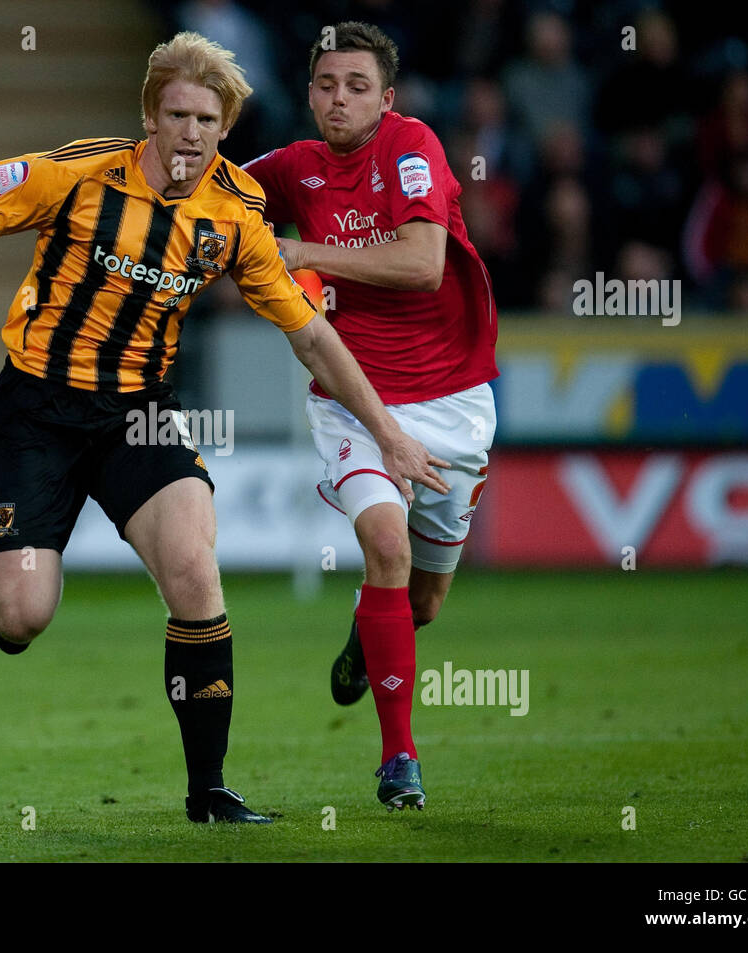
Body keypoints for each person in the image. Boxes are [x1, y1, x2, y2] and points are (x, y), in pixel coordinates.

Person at [0, 32, 446, 823]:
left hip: (139, 414)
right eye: (177, 114)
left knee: (196, 574)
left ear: (225, 126)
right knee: (22, 616)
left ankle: (209, 792)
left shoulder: (235, 213)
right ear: (151, 116)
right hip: (38, 409)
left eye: (207, 117)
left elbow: (309, 334)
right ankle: (14, 597)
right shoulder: (80, 172)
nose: (191, 132)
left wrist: (390, 435)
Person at [244, 21, 499, 811]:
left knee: (421, 603)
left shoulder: (411, 146)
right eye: (325, 85)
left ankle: (370, 631)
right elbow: (215, 196)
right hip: (355, 399)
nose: (338, 99)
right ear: (309, 91)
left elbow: (424, 266)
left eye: (356, 86)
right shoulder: (294, 168)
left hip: (453, 402)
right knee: (383, 542)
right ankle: (400, 759)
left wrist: (305, 254)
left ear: (385, 100)